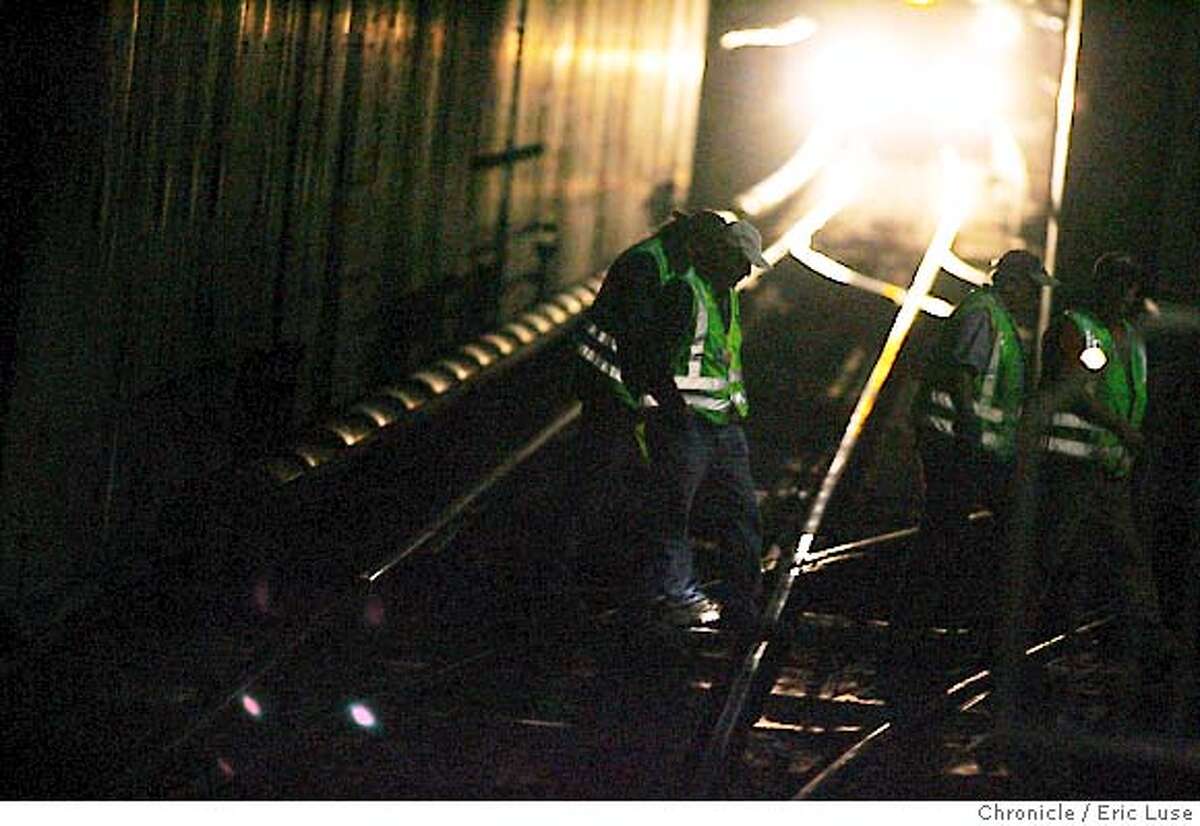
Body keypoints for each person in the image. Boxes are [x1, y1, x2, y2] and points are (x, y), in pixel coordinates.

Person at [573, 210, 769, 628]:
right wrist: (668, 411)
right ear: (714, 252)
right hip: (672, 419)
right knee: (662, 511)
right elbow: (645, 353)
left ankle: (738, 605)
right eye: (741, 264)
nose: (745, 274)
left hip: (721, 423)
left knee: (734, 515)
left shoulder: (724, 292)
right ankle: (659, 598)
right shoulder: (674, 285)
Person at [895, 249, 1057, 669]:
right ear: (1013, 282)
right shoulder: (983, 315)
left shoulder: (995, 317)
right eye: (1031, 289)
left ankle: (926, 624)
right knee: (946, 531)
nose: (1034, 299)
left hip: (972, 445)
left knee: (949, 531)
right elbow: (962, 374)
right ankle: (917, 628)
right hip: (957, 442)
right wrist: (969, 426)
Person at [1035, 252, 1174, 686]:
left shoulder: (1129, 337)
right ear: (1101, 285)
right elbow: (1070, 389)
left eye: (1128, 285)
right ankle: (1014, 633)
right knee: (1052, 553)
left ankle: (1149, 636)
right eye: (1115, 283)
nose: (1122, 292)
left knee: (1124, 552)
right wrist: (1122, 430)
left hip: (1109, 466)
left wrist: (1128, 442)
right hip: (1073, 463)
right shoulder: (1078, 328)